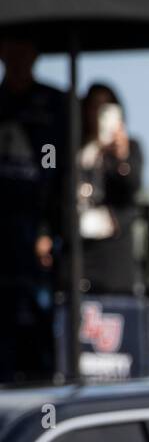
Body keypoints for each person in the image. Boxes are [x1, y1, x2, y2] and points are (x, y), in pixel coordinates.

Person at [0, 38, 64, 383]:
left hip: (40, 228)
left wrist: (48, 230)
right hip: (5, 230)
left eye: (25, 53)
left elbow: (64, 173)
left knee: (39, 310)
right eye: (11, 53)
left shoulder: (54, 103)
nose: (18, 61)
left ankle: (42, 375)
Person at [77, 83, 142, 295]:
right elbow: (50, 174)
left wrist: (121, 157)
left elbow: (132, 186)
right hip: (76, 260)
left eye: (106, 108)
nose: (98, 114)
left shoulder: (130, 148)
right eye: (94, 106)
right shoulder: (72, 149)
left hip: (112, 266)